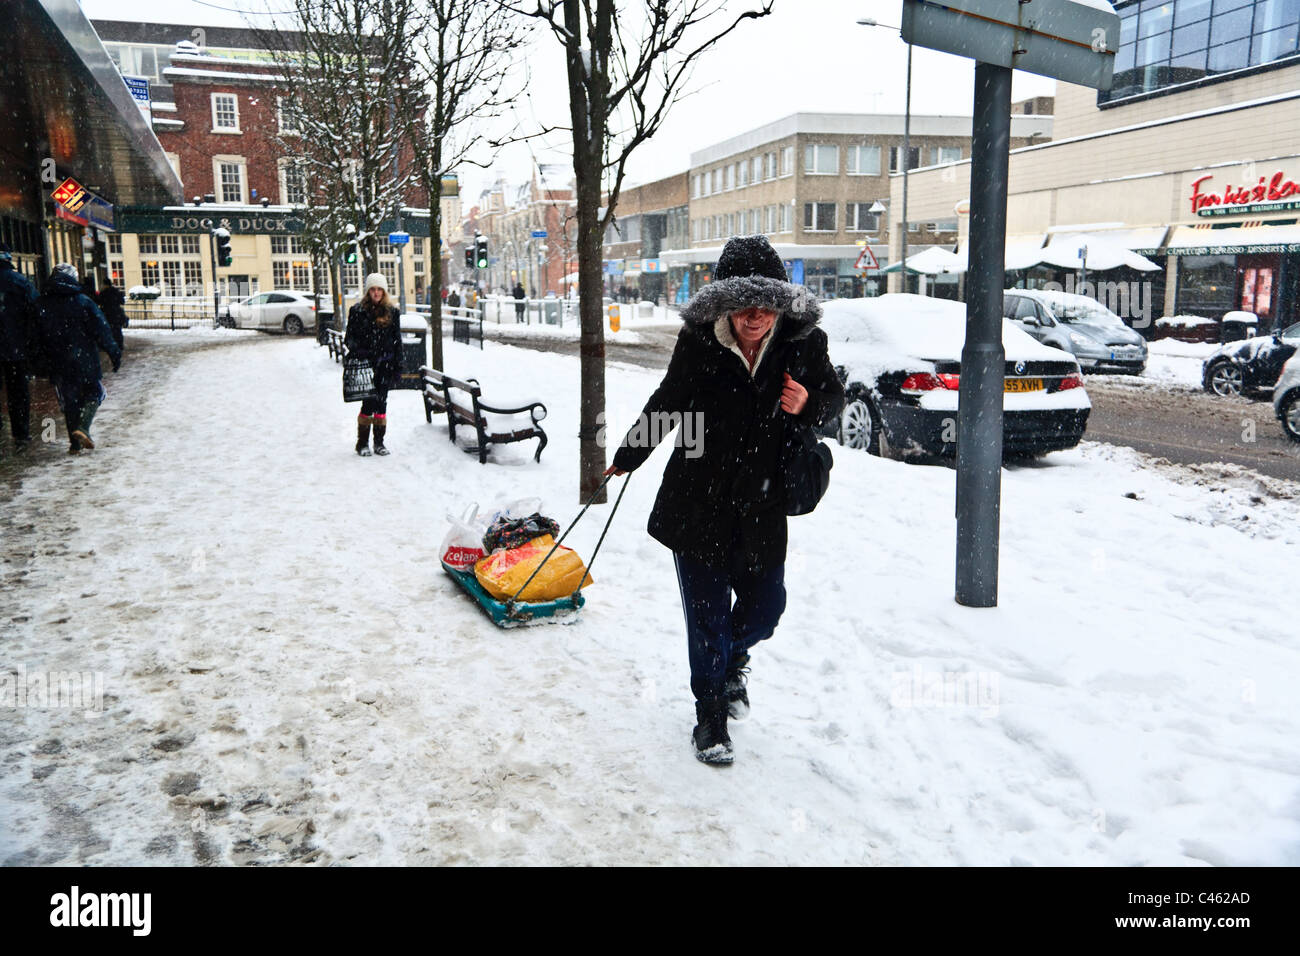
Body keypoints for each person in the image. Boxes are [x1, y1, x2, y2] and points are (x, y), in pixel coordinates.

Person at [605, 235, 844, 766]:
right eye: (743, 306)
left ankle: (731, 660)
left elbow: (833, 400)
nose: (755, 317)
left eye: (766, 306)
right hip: (698, 499)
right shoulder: (700, 341)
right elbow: (669, 401)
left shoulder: (806, 343)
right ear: (725, 304)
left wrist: (808, 404)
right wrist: (628, 454)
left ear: (780, 304)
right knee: (707, 617)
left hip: (762, 505)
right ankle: (710, 714)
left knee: (765, 608)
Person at [32, 263, 122, 454]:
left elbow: (33, 336)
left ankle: (75, 444)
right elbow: (102, 330)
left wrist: (37, 363)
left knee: (69, 401)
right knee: (95, 392)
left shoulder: (40, 304)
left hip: (57, 361)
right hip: (85, 360)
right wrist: (114, 352)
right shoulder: (83, 302)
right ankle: (83, 428)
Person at [345, 273, 402, 457]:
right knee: (367, 405)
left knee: (382, 405)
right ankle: (362, 443)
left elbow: (397, 340)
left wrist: (398, 365)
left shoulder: (392, 313)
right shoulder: (357, 311)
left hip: (385, 366)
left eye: (379, 289)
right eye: (373, 289)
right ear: (368, 291)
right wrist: (359, 351)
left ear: (384, 291)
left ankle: (379, 442)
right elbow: (349, 339)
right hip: (366, 366)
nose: (376, 293)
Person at [0, 244, 37, 452]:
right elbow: (36, 311)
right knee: (18, 393)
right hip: (16, 348)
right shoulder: (21, 282)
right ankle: (21, 433)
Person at [96, 280, 128, 352]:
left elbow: (99, 301)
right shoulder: (116, 292)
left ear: (105, 285)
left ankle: (111, 346)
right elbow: (122, 301)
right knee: (117, 331)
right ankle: (119, 345)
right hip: (116, 314)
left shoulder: (104, 293)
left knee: (109, 331)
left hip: (108, 315)